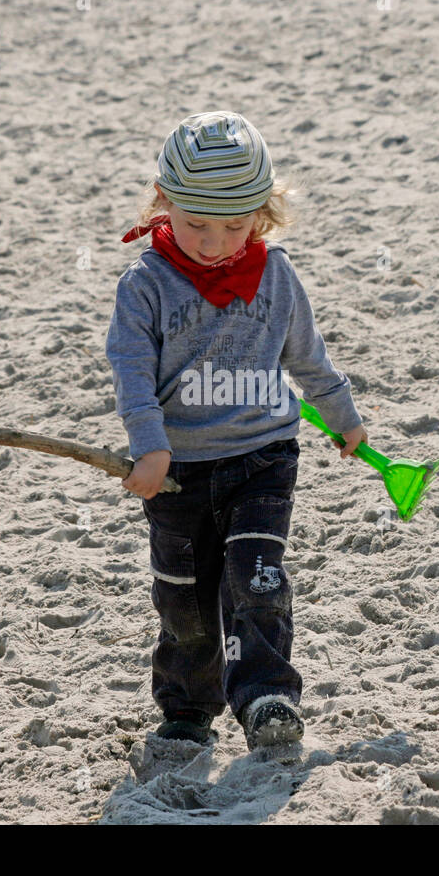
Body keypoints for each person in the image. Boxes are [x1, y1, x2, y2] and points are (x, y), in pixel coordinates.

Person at [105, 110, 367, 750]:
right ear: (165, 202)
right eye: (196, 223)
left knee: (257, 577)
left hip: (262, 457)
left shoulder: (275, 276)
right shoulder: (146, 286)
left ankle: (267, 694)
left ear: (264, 212)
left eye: (235, 225)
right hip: (179, 471)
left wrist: (344, 417)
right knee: (184, 600)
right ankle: (189, 708)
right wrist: (150, 447)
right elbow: (132, 373)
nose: (215, 241)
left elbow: (308, 358)